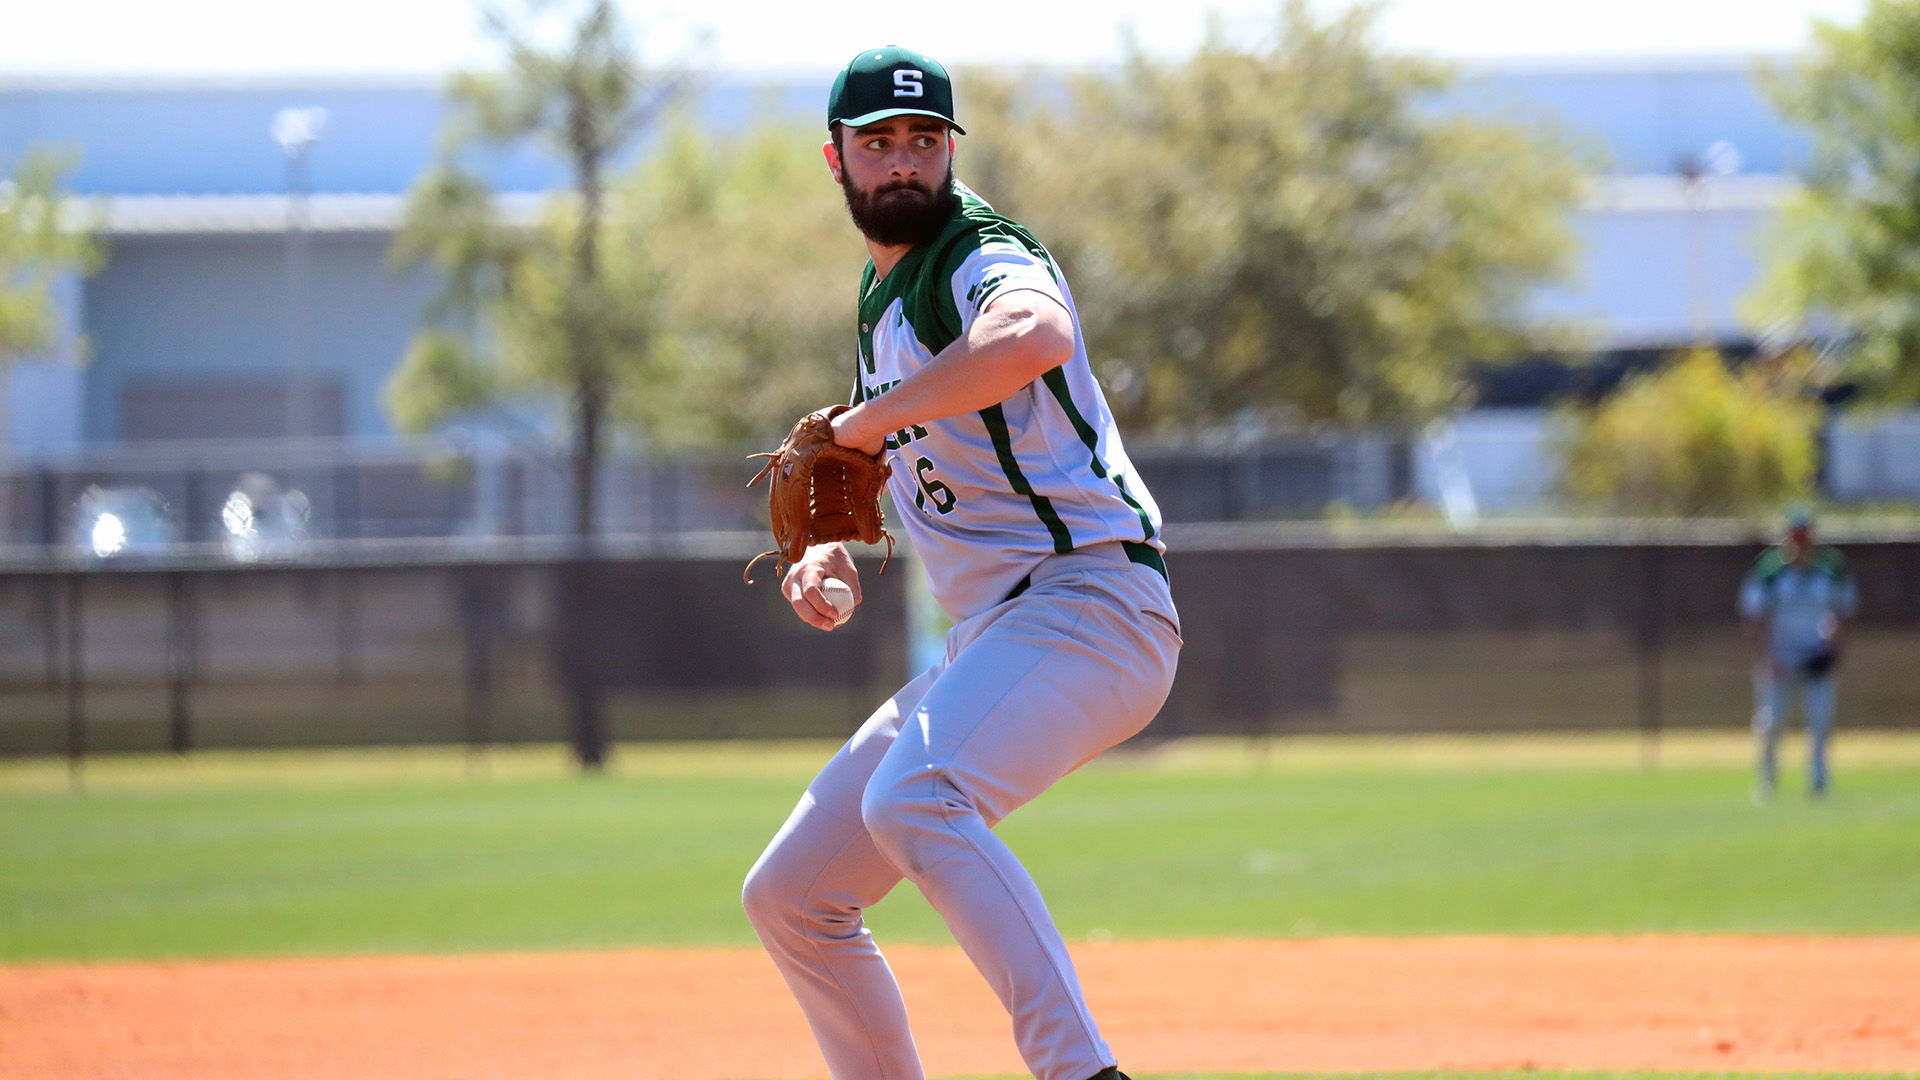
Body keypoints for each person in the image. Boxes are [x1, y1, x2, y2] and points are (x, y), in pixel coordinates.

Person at [740, 47, 1179, 1080]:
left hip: (1095, 603)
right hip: (1004, 631)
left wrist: (859, 426)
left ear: (949, 153)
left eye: (925, 141)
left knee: (916, 797)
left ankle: (1081, 1070)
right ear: (835, 158)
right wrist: (834, 552)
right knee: (793, 895)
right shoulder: (882, 293)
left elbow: (1033, 332)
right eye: (880, 143)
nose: (905, 162)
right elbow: (908, 453)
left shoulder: (977, 251)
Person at [1738, 506, 1857, 801]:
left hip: (1815, 655)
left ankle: (1818, 781)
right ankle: (1767, 780)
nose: (1800, 544)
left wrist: (1835, 650)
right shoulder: (1770, 571)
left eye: (1805, 538)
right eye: (1795, 537)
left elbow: (1842, 613)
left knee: (1820, 721)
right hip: (1779, 656)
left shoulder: (1831, 568)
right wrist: (1766, 658)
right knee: (1772, 722)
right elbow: (1754, 619)